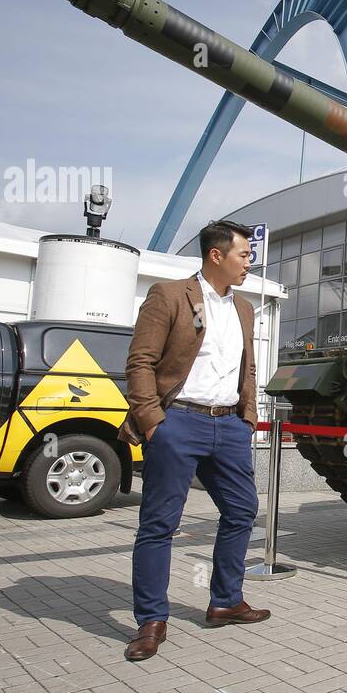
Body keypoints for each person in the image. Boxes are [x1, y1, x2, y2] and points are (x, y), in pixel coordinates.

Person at [117, 219, 270, 662]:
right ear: (216, 255)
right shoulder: (169, 296)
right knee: (160, 524)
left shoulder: (243, 309)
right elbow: (140, 362)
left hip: (230, 428)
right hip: (178, 423)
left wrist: (247, 416)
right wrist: (152, 421)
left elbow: (248, 368)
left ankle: (225, 600)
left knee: (242, 510)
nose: (249, 263)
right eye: (244, 255)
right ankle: (150, 620)